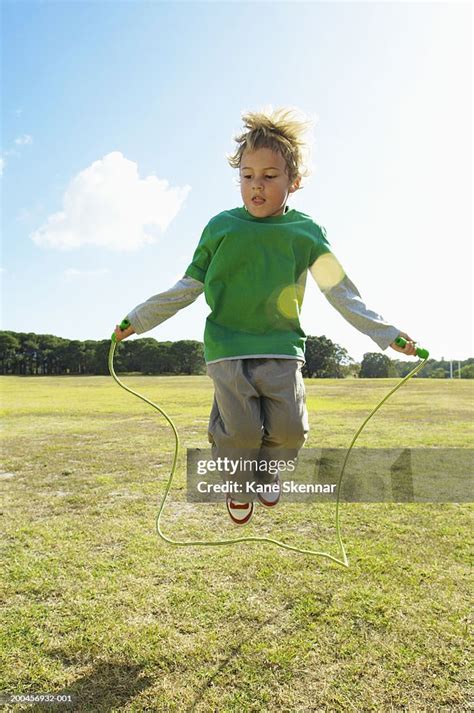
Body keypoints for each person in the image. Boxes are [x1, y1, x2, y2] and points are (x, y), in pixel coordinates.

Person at [114, 106, 418, 526]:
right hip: (227, 348)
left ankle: (269, 470)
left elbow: (340, 292)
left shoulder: (308, 232)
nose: (257, 186)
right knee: (240, 433)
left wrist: (387, 334)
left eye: (269, 177)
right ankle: (238, 484)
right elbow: (187, 286)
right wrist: (138, 319)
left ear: (293, 181)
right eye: (247, 176)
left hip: (281, 348)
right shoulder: (220, 227)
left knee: (290, 430)